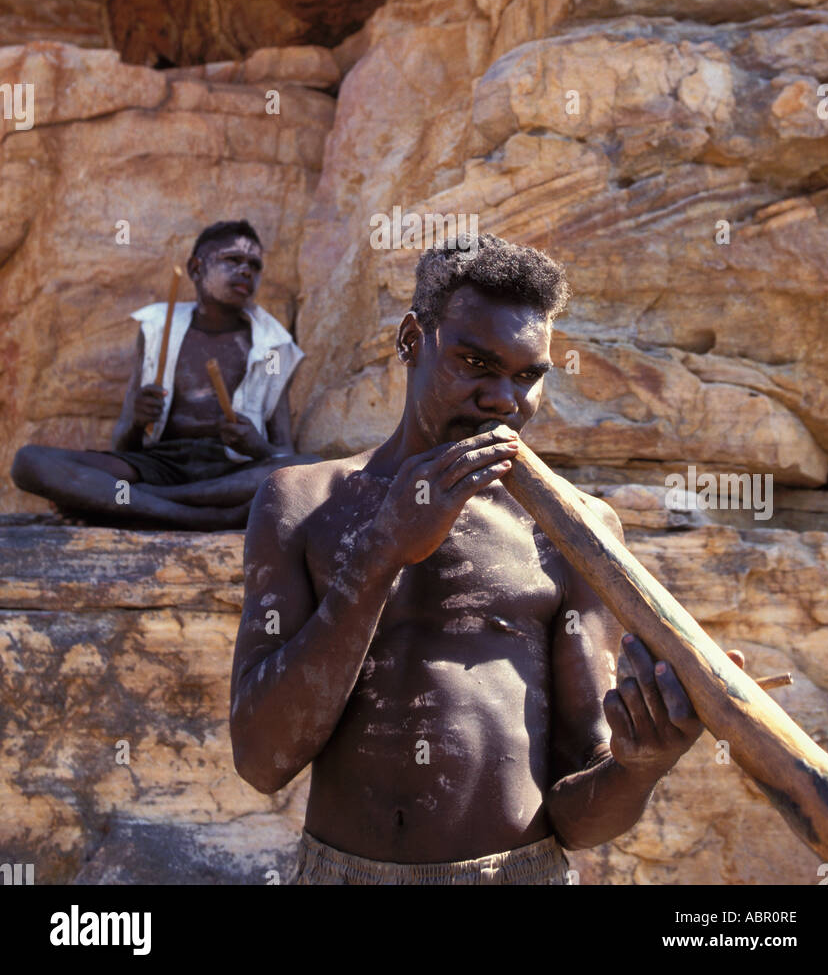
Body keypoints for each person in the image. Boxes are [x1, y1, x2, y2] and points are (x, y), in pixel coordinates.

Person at [229, 233, 744, 884]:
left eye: (527, 376)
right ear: (412, 340)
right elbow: (260, 759)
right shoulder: (301, 501)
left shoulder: (575, 531)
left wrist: (638, 768)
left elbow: (580, 822)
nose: (504, 399)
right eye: (476, 363)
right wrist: (380, 555)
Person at [12, 219, 315, 530]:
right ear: (196, 269)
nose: (246, 271)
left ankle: (143, 503)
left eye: (254, 265)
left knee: (309, 468)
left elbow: (281, 456)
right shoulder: (157, 327)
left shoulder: (275, 345)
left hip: (231, 470)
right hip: (159, 464)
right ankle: (208, 516)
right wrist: (137, 420)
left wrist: (256, 446)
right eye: (232, 260)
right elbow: (123, 443)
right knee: (29, 462)